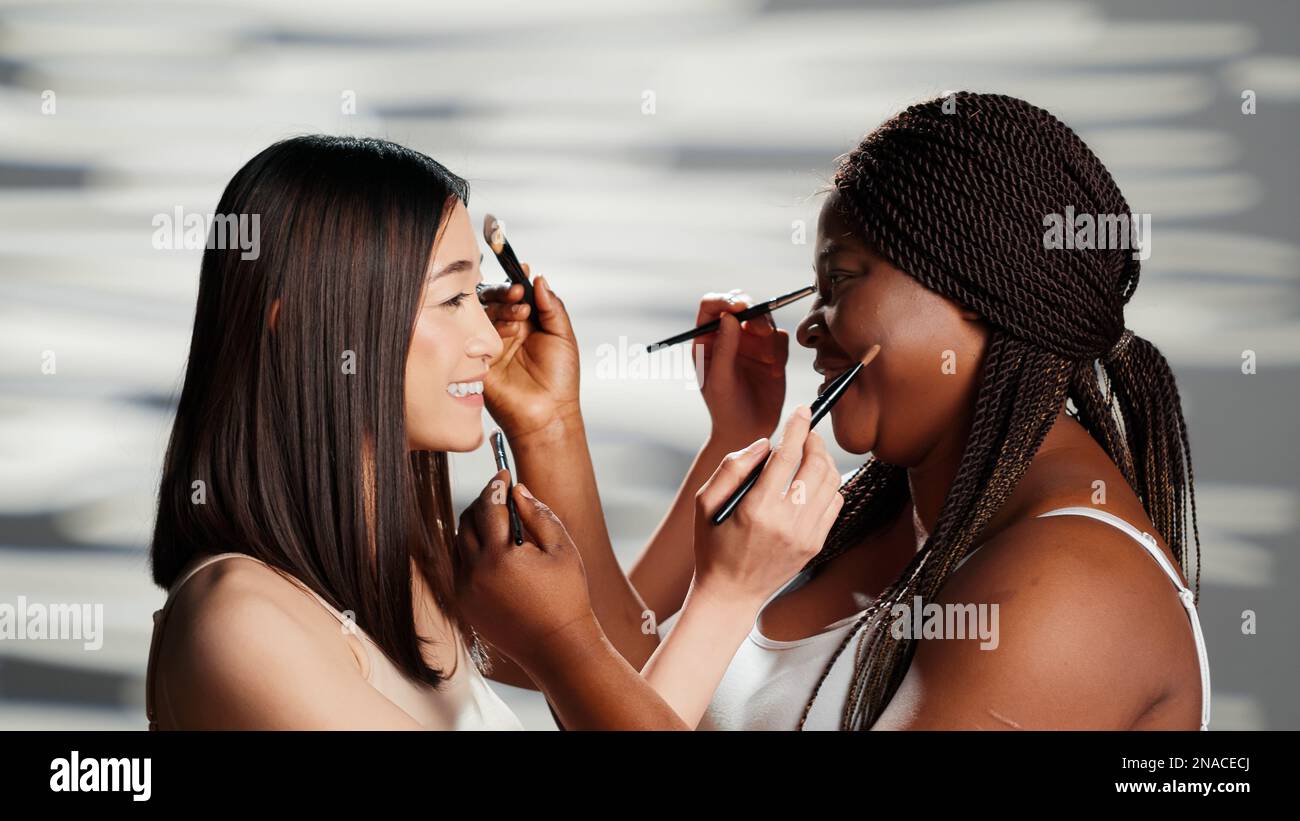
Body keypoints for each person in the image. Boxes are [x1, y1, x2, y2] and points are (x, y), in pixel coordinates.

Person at [493, 92, 1212, 730]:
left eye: (838, 280)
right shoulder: (886, 510)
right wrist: (550, 423)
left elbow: (602, 682)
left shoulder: (1072, 588)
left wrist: (565, 643)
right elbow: (645, 684)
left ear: (980, 290)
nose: (808, 329)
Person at [144, 134, 844, 730]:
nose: (486, 336)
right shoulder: (241, 625)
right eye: (451, 298)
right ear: (300, 327)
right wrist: (727, 596)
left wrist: (557, 424)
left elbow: (623, 670)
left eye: (478, 294)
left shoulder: (401, 571)